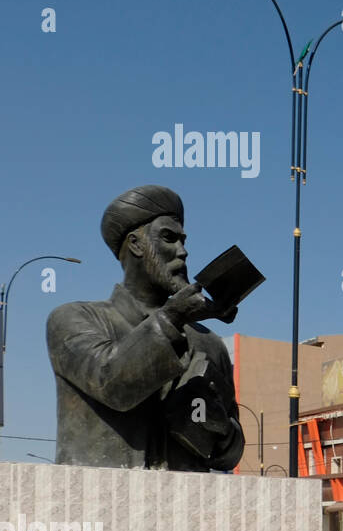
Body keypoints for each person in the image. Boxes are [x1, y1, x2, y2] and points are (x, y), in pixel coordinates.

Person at [46, 185, 244, 471]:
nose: (183, 251)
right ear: (136, 244)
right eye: (169, 238)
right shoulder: (73, 319)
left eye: (183, 240)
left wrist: (219, 426)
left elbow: (231, 452)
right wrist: (172, 317)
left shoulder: (209, 343)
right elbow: (112, 383)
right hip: (100, 502)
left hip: (186, 506)